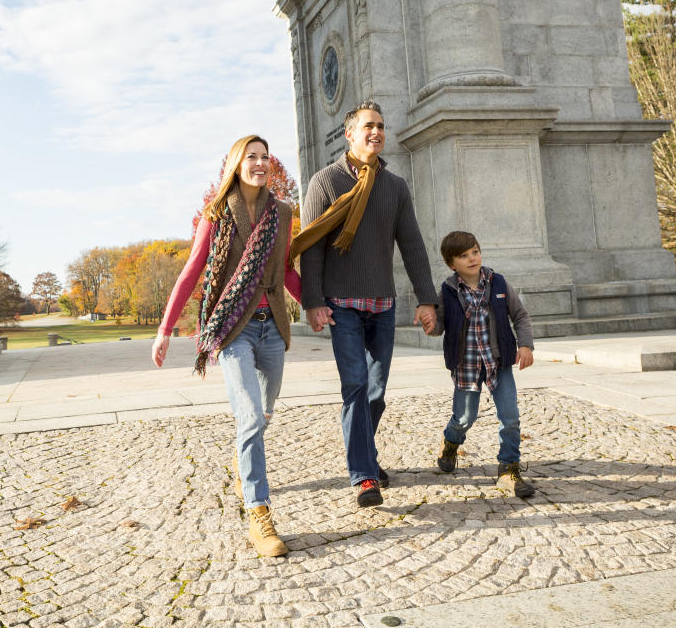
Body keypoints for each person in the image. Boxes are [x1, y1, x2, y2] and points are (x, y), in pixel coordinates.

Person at [151, 134, 301, 557]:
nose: (259, 163)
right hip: (232, 327)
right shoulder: (215, 214)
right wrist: (164, 329)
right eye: (251, 157)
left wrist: (319, 306)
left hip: (272, 325)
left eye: (265, 157)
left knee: (264, 411)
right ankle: (259, 513)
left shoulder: (283, 212)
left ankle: (242, 457)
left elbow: (286, 272)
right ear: (236, 164)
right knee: (251, 416)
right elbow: (191, 272)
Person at [291, 100, 439, 509]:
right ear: (350, 134)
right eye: (368, 126)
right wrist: (313, 300)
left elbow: (412, 246)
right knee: (355, 387)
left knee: (376, 392)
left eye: (381, 126)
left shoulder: (395, 187)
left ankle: (365, 456)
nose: (376, 132)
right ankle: (364, 476)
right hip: (341, 306)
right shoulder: (325, 182)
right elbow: (313, 247)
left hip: (383, 304)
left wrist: (427, 299)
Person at [434, 230, 536, 499]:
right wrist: (430, 323)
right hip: (466, 365)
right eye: (464, 255)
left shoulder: (498, 283)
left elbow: (520, 315)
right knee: (465, 418)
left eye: (475, 252)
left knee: (510, 417)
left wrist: (525, 345)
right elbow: (439, 325)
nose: (472, 258)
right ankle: (450, 443)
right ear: (452, 263)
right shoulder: (447, 290)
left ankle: (508, 468)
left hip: (498, 361)